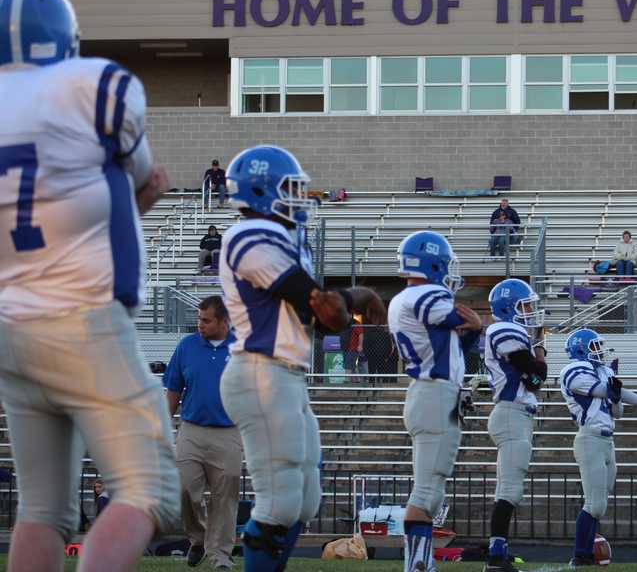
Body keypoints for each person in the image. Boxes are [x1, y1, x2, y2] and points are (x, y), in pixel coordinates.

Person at [0, 0, 180, 572]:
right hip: (81, 318)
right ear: (66, 39)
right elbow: (146, 180)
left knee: (42, 509)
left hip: (9, 326)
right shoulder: (94, 85)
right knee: (149, 489)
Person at [218, 145, 385, 572]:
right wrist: (353, 297)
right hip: (261, 371)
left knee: (305, 500)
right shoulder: (249, 235)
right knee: (279, 503)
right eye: (291, 188)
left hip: (284, 375)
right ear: (262, 189)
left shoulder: (285, 236)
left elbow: (328, 319)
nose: (301, 197)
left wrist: (344, 300)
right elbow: (324, 310)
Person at [388, 230, 482, 572]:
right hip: (433, 394)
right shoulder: (423, 294)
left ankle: (422, 562)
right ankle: (416, 565)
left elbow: (459, 344)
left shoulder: (407, 298)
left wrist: (473, 329)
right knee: (426, 492)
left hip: (431, 393)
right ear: (432, 263)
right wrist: (474, 324)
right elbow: (462, 319)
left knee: (432, 489)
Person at [559, 328, 637, 566]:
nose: (600, 350)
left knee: (599, 504)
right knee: (594, 503)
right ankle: (580, 555)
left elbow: (617, 409)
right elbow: (601, 390)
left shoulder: (602, 371)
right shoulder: (574, 369)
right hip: (590, 439)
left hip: (607, 441)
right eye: (595, 346)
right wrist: (616, 391)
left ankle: (586, 554)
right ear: (581, 349)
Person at [164, 296, 241, 570]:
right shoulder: (186, 346)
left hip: (229, 431)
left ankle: (220, 555)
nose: (200, 325)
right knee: (185, 489)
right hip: (192, 430)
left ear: (224, 321)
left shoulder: (243, 348)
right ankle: (198, 538)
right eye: (199, 318)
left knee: (226, 496)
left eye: (206, 320)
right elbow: (173, 389)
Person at [483, 279, 548, 572]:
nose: (530, 311)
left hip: (515, 415)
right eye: (525, 305)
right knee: (510, 489)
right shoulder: (503, 328)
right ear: (509, 307)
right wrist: (538, 354)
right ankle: (496, 558)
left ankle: (500, 551)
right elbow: (535, 372)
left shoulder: (515, 332)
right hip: (511, 414)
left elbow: (535, 380)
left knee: (508, 489)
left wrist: (535, 369)